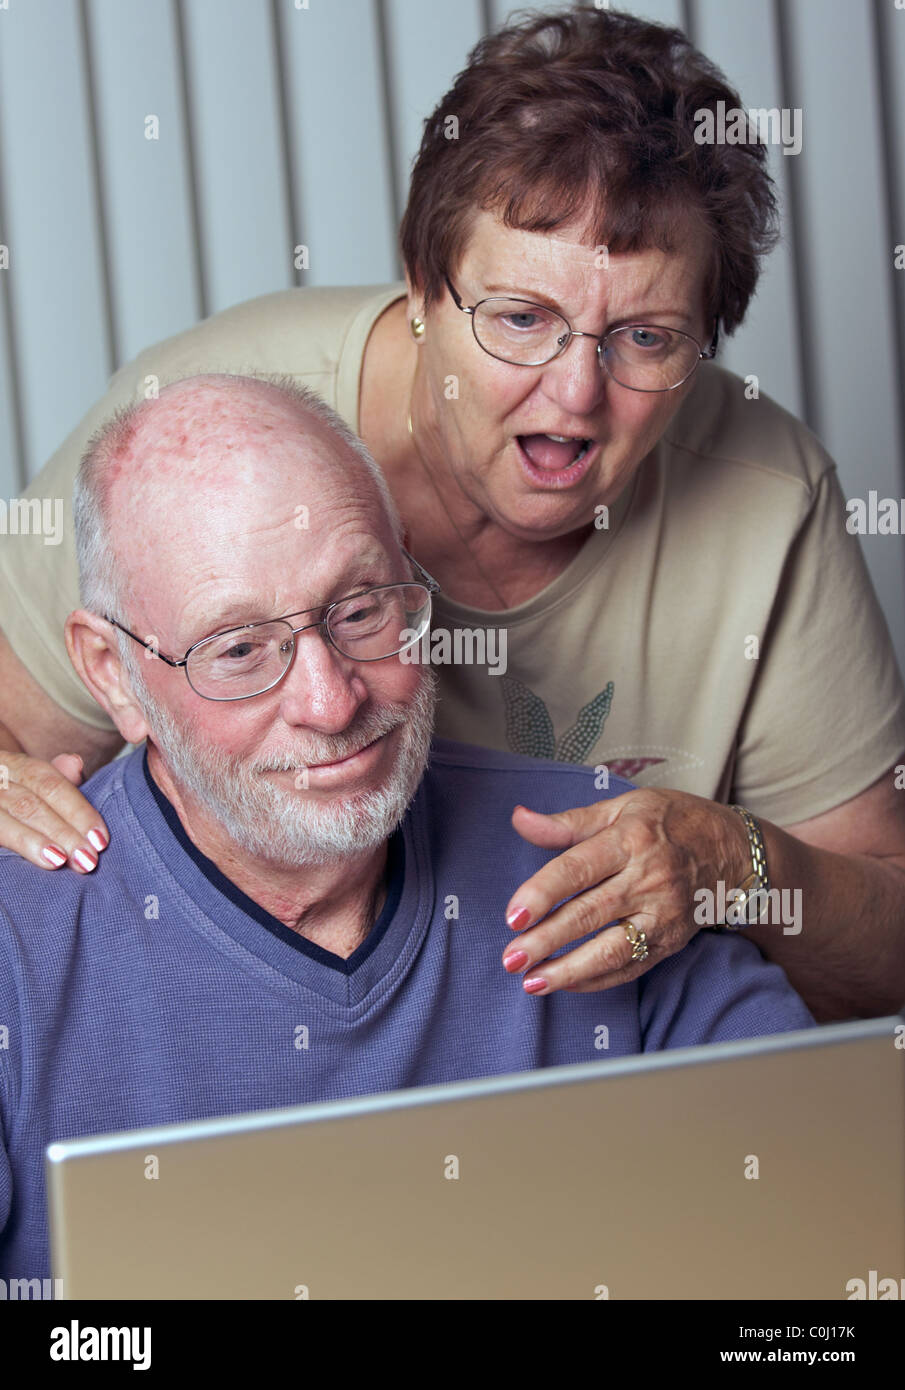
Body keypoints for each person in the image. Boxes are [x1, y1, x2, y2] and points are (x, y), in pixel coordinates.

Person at [0, 6, 902, 1021]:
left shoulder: (766, 499)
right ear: (424, 285)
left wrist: (727, 862)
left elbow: (881, 953)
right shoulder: (197, 433)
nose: (573, 394)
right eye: (520, 320)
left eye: (645, 338)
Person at [0, 374, 814, 1279]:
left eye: (360, 610)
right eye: (238, 650)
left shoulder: (598, 852)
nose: (330, 700)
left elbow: (816, 1220)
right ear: (113, 674)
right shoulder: (16, 944)